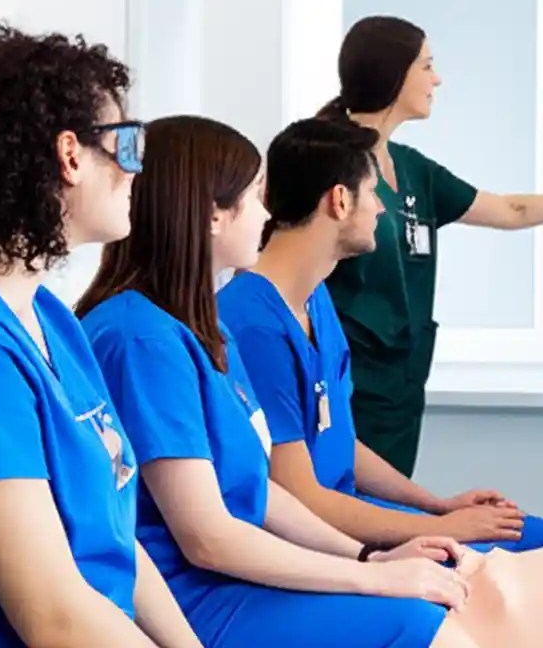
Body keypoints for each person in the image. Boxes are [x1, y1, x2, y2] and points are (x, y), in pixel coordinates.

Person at [74, 115, 472, 647]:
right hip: (187, 597)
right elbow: (207, 538)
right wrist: (373, 576)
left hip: (233, 571)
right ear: (212, 216)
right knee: (426, 622)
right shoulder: (140, 338)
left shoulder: (204, 326)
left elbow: (259, 492)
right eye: (255, 196)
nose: (267, 212)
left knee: (445, 600)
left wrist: (367, 555)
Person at [0, 25, 200, 647]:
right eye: (127, 146)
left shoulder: (46, 317)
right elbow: (55, 617)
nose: (135, 171)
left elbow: (115, 543)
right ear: (70, 156)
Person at [319, 15, 543, 476]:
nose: (437, 79)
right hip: (344, 381)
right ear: (393, 73)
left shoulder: (413, 170)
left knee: (390, 519)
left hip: (400, 386)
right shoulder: (324, 161)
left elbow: (510, 211)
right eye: (427, 66)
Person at [218, 117, 543, 552]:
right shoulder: (251, 326)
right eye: (375, 193)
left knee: (539, 535)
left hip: (348, 507)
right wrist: (447, 530)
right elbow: (301, 500)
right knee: (508, 558)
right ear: (340, 200)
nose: (382, 209)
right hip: (318, 537)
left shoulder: (315, 299)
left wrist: (439, 506)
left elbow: (339, 439)